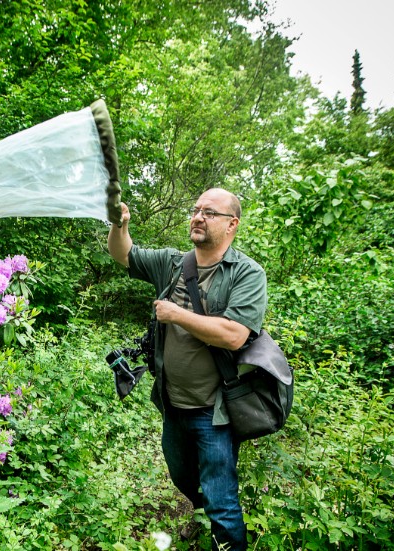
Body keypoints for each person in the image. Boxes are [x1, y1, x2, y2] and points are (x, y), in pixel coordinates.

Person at [107, 188, 267, 551]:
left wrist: (176, 313)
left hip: (215, 411)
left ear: (231, 225)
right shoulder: (173, 263)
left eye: (209, 212)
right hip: (172, 404)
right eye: (196, 210)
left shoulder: (246, 273)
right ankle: (200, 516)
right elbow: (123, 254)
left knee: (222, 501)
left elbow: (233, 335)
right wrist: (120, 224)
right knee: (182, 477)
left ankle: (221, 532)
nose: (198, 217)